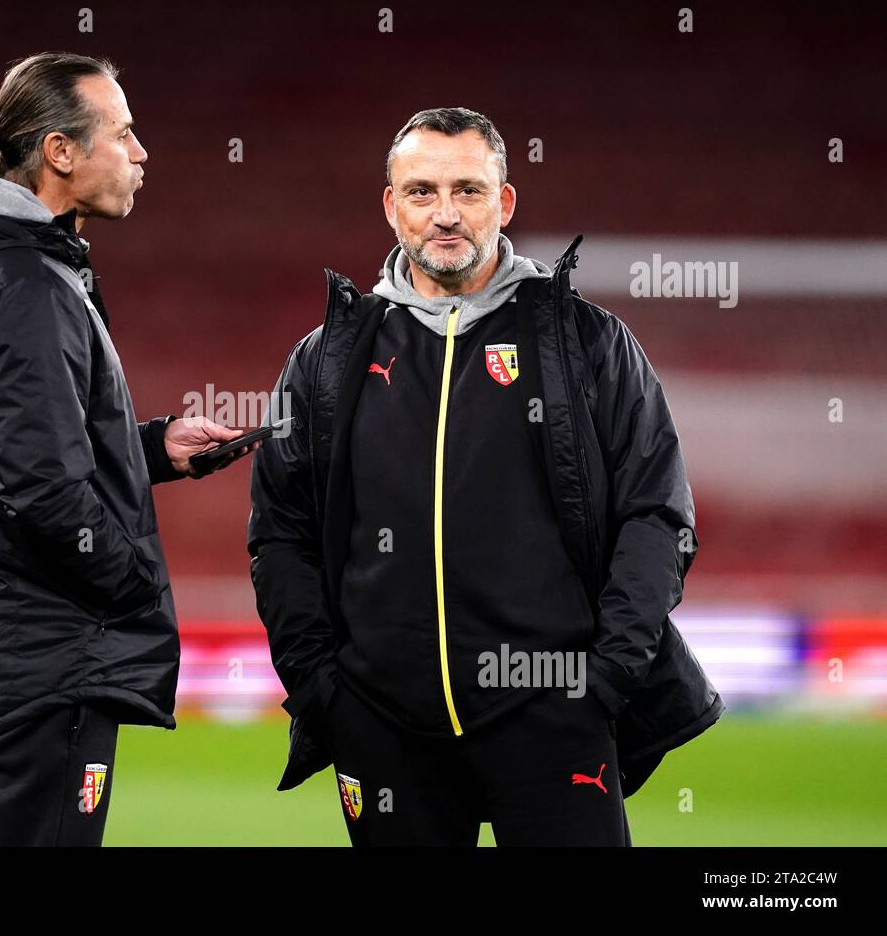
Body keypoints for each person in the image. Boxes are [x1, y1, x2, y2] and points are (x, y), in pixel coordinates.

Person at [247, 107, 725, 846]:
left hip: (554, 717)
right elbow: (281, 533)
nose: (445, 215)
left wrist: (605, 679)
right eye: (422, 191)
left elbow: (657, 513)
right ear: (391, 205)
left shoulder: (586, 342)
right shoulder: (327, 359)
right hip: (383, 728)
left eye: (468, 191)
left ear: (503, 203)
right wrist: (322, 689)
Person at [0, 52, 247, 846]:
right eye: (122, 133)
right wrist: (133, 588)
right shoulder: (25, 284)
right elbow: (47, 494)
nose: (141, 152)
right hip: (47, 662)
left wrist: (152, 450)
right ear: (60, 153)